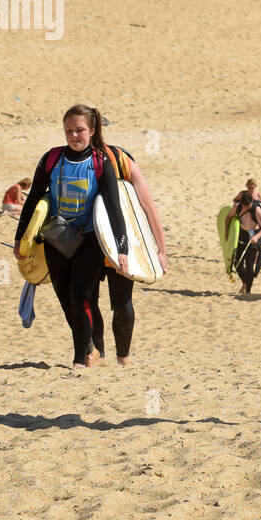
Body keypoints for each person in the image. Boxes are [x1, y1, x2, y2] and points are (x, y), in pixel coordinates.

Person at [13, 105, 128, 369]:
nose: (74, 136)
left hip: (89, 240)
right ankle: (89, 347)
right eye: (69, 130)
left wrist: (122, 248)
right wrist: (20, 237)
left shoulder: (101, 162)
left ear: (92, 130)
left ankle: (79, 359)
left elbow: (113, 205)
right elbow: (33, 200)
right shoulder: (52, 159)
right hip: (55, 238)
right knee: (66, 300)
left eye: (80, 130)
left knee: (82, 297)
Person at [90, 141, 169, 366]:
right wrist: (161, 251)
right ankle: (112, 357)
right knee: (111, 299)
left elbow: (147, 206)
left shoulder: (116, 158)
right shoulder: (120, 159)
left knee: (108, 300)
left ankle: (112, 356)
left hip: (115, 243)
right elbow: (149, 207)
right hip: (102, 242)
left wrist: (161, 251)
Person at [230, 189, 261, 294]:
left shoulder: (257, 211)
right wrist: (227, 232)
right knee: (237, 262)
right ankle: (245, 282)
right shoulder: (238, 207)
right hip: (242, 236)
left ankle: (248, 291)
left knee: (249, 266)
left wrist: (256, 237)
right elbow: (229, 218)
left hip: (254, 237)